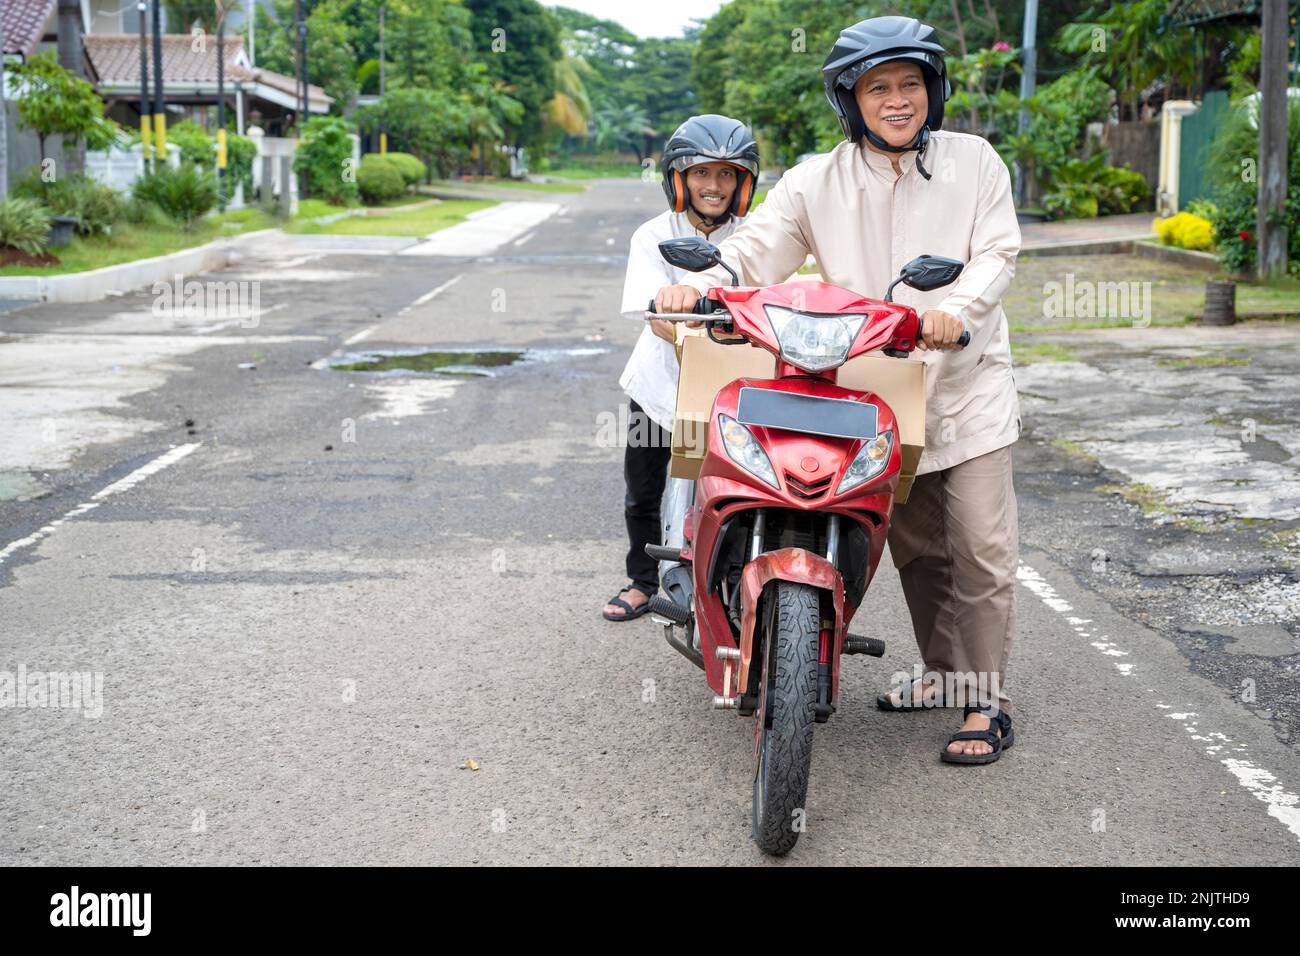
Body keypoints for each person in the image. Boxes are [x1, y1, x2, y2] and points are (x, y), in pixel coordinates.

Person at [653, 16, 1021, 765]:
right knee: (914, 552)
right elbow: (755, 250)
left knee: (980, 547)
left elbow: (996, 253)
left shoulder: (975, 162)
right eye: (877, 87)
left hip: (967, 384)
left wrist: (955, 312)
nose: (896, 100)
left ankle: (985, 701)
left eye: (909, 84)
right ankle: (945, 676)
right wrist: (698, 287)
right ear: (851, 101)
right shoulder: (818, 179)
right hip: (876, 391)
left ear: (933, 91)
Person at [602, 115, 760, 622]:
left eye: (726, 174)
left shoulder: (757, 238)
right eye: (701, 173)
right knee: (642, 491)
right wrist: (674, 304)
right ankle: (642, 582)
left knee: (730, 486)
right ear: (678, 178)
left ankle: (732, 581)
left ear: (742, 183)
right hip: (658, 387)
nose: (713, 186)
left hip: (728, 387)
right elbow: (657, 319)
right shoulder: (652, 235)